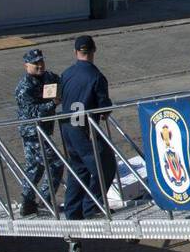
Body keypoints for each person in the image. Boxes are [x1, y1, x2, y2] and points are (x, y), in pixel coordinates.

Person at [58, 35, 116, 219]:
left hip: (67, 129)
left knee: (78, 169)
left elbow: (58, 98)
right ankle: (92, 206)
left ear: (76, 52)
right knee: (105, 166)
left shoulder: (66, 74)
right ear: (94, 51)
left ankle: (72, 211)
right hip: (85, 130)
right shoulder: (96, 76)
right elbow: (104, 109)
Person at [14, 48, 64, 216]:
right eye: (35, 63)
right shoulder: (24, 87)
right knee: (56, 163)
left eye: (41, 62)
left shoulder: (48, 77)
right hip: (33, 132)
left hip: (44, 129)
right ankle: (44, 201)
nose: (40, 65)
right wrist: (53, 104)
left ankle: (27, 203)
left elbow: (62, 81)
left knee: (35, 167)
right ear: (26, 66)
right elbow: (31, 111)